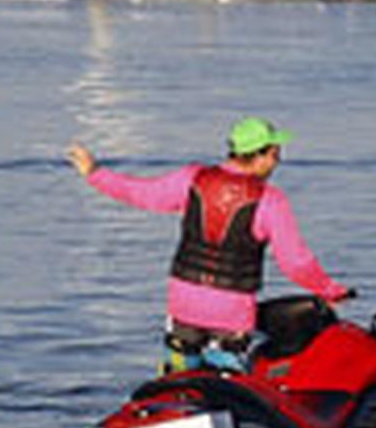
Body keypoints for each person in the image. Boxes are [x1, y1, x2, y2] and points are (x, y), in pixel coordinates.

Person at [66, 117, 353, 373]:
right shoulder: (270, 200)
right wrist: (330, 291)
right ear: (262, 155)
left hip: (183, 306)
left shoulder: (192, 179)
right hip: (231, 317)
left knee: (179, 381)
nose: (278, 160)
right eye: (276, 153)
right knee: (227, 388)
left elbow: (142, 193)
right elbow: (295, 263)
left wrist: (95, 173)